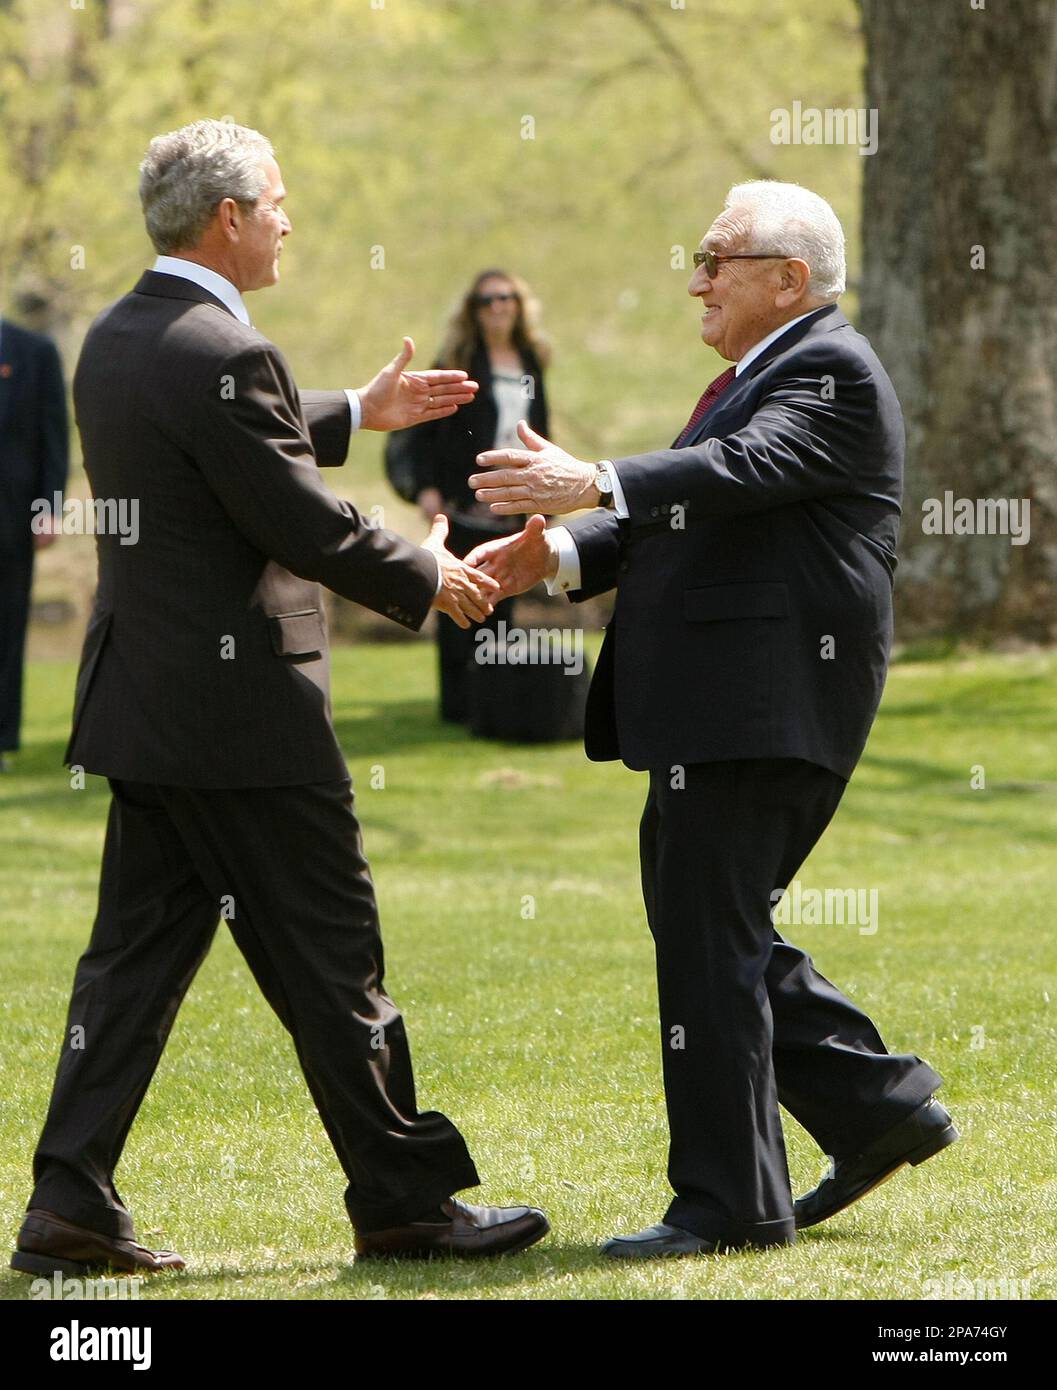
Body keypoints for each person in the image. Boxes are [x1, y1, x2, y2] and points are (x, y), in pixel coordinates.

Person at [10, 119, 547, 1279]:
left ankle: (68, 1205)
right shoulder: (221, 348)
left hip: (148, 712)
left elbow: (220, 436)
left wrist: (355, 409)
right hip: (249, 723)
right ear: (230, 220)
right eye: (279, 201)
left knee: (133, 968)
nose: (291, 220)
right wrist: (433, 572)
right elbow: (295, 515)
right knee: (334, 961)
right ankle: (406, 1201)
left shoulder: (122, 335)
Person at [464, 180, 958, 1261]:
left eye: (714, 257)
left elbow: (742, 471)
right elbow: (694, 513)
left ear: (789, 278)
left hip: (764, 706)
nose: (694, 277)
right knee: (713, 932)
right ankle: (881, 1106)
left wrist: (590, 476)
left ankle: (729, 1204)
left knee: (710, 943)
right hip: (725, 711)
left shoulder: (828, 371)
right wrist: (555, 549)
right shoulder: (755, 375)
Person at [385, 269, 550, 723]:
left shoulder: (529, 361)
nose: (497, 307)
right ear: (473, 310)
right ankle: (456, 707)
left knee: (501, 601)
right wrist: (426, 488)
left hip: (513, 505)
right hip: (464, 503)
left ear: (518, 305)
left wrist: (546, 498)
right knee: (459, 602)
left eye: (506, 298)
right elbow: (425, 430)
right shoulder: (458, 359)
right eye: (487, 300)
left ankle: (492, 703)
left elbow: (542, 429)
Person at [0, 314, 69, 771]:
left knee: (6, 626)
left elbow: (55, 439)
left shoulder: (34, 351)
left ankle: (1, 738)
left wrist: (50, 508)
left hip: (11, 517)